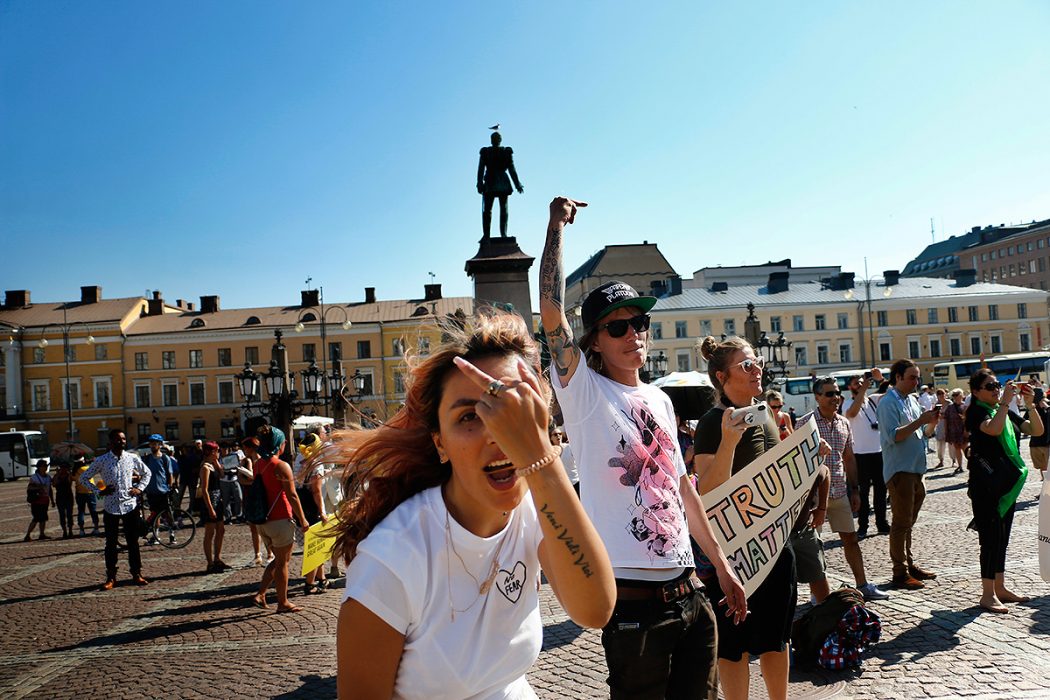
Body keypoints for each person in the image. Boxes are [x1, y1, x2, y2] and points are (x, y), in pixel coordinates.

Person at [333, 310, 615, 699]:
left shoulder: (535, 509)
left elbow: (595, 609)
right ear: (440, 444)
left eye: (512, 407)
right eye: (469, 415)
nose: (499, 432)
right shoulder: (393, 558)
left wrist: (541, 457)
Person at [539, 197, 746, 699]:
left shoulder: (657, 398)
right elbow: (549, 310)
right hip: (634, 605)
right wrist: (555, 228)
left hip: (690, 592)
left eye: (641, 324)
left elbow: (681, 488)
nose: (634, 334)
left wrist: (720, 565)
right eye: (618, 327)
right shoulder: (585, 390)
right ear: (595, 341)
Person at [694, 336, 806, 700]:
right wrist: (728, 441)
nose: (757, 368)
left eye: (756, 360)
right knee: (733, 646)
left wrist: (807, 460)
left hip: (774, 547)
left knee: (776, 640)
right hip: (734, 553)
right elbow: (707, 492)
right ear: (721, 377)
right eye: (746, 364)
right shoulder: (713, 422)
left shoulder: (768, 413)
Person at [796, 378, 890, 602]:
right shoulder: (804, 423)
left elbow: (848, 458)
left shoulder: (843, 422)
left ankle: (863, 584)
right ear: (817, 397)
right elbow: (796, 460)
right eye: (829, 394)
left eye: (837, 393)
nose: (835, 398)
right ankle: (817, 594)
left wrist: (855, 490)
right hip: (814, 497)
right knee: (814, 546)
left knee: (851, 539)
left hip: (839, 491)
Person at [965, 369, 1041, 613]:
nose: (997, 389)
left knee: (1002, 539)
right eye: (991, 386)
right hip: (985, 486)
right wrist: (1006, 402)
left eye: (998, 384)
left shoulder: (1003, 409)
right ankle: (987, 595)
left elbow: (1034, 430)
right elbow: (993, 429)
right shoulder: (976, 411)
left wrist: (1030, 405)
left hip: (1005, 486)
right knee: (989, 540)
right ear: (976, 391)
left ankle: (1000, 587)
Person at [876, 359, 939, 590]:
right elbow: (894, 436)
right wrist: (920, 420)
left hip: (916, 468)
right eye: (912, 377)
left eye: (917, 377)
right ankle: (899, 572)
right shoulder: (887, 403)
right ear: (898, 377)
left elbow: (923, 433)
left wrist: (930, 423)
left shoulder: (912, 400)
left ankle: (909, 564)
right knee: (901, 523)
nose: (917, 381)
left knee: (909, 522)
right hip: (900, 470)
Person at [247, 425, 311, 613]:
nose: (284, 444)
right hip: (280, 519)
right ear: (278, 445)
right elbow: (292, 495)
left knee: (278, 560)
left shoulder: (258, 464)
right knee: (283, 563)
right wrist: (303, 519)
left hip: (263, 521)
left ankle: (260, 594)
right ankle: (283, 603)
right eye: (283, 441)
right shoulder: (281, 466)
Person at [80, 429, 152, 589]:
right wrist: (99, 491)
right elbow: (83, 478)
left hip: (130, 506)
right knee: (110, 544)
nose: (122, 442)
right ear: (111, 442)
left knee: (133, 542)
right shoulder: (102, 460)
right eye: (118, 439)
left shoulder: (132, 458)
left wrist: (139, 488)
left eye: (124, 439)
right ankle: (111, 576)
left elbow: (147, 473)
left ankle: (136, 573)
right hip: (111, 507)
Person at [843, 372, 890, 538]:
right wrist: (863, 390)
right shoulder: (847, 403)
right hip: (859, 455)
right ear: (850, 387)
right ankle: (863, 525)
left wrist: (881, 379)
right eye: (856, 383)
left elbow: (892, 393)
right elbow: (853, 413)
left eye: (862, 382)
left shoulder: (873, 400)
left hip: (878, 453)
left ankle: (882, 524)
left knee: (881, 491)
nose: (860, 384)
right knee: (862, 492)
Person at [297, 433, 330, 595]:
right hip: (313, 510)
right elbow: (316, 491)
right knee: (315, 549)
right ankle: (309, 584)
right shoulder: (316, 465)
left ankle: (321, 578)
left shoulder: (299, 462)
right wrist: (323, 512)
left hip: (301, 509)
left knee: (315, 546)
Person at [476, 130, 524, 239]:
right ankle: (494, 235)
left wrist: (517, 184)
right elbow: (511, 169)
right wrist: (517, 185)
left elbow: (512, 169)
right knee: (496, 209)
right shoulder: (493, 152)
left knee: (493, 210)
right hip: (495, 181)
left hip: (492, 181)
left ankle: (497, 235)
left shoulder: (490, 152)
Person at [197, 441, 227, 573]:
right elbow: (204, 490)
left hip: (218, 500)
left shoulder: (213, 465)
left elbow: (222, 475)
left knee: (221, 530)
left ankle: (217, 559)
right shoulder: (205, 467)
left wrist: (217, 463)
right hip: (209, 502)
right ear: (212, 452)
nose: (219, 453)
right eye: (217, 451)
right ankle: (210, 563)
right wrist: (210, 508)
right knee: (210, 533)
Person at [239, 437, 269, 567]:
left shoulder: (260, 460)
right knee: (253, 527)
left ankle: (270, 553)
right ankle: (257, 554)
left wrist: (250, 478)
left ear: (250, 448)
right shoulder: (246, 461)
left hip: (259, 496)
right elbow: (241, 480)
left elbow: (260, 480)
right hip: (249, 495)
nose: (243, 450)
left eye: (245, 448)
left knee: (264, 527)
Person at [142, 434, 175, 543]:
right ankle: (156, 536)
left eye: (155, 444)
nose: (152, 446)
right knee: (154, 514)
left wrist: (170, 487)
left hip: (163, 491)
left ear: (160, 445)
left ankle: (172, 534)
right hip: (151, 491)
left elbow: (170, 474)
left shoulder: (165, 458)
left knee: (167, 513)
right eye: (151, 443)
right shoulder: (147, 458)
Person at [24, 460, 55, 541]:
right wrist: (40, 486)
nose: (46, 467)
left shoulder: (48, 477)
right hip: (36, 501)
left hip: (45, 500)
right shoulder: (34, 477)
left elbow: (50, 489)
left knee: (44, 518)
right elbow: (29, 488)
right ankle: (27, 535)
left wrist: (52, 500)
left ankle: (42, 534)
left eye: (46, 465)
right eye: (44, 466)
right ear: (39, 467)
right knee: (36, 518)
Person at [73, 456, 101, 536]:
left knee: (81, 511)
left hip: (79, 493)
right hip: (90, 492)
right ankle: (96, 528)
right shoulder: (86, 468)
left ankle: (81, 530)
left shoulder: (74, 471)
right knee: (93, 511)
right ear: (82, 461)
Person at [945, 388, 969, 475]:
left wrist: (967, 430)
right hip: (954, 431)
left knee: (965, 449)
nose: (955, 397)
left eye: (957, 395)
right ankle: (960, 466)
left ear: (962, 395)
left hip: (963, 431)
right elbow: (946, 420)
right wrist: (946, 431)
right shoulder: (950, 407)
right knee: (957, 449)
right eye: (954, 395)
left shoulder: (965, 407)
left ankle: (972, 466)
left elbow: (969, 420)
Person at [1029, 388, 1050, 483]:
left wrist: (1046, 407)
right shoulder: (1032, 408)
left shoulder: (1048, 407)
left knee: (1046, 469)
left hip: (1046, 443)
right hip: (1035, 443)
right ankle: (1044, 490)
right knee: (1043, 468)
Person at [52, 460, 76, 539]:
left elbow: (72, 480)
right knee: (62, 515)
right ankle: (64, 531)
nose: (64, 469)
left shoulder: (69, 475)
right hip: (60, 497)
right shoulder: (56, 476)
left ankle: (70, 531)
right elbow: (54, 484)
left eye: (65, 468)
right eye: (62, 468)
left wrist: (69, 473)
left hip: (68, 497)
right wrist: (58, 474)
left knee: (69, 515)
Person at [933, 388, 948, 468]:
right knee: (940, 444)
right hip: (940, 425)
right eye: (939, 394)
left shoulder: (949, 403)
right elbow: (934, 415)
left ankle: (954, 460)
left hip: (949, 424)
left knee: (952, 444)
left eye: (943, 394)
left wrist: (944, 416)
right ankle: (941, 460)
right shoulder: (937, 404)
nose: (941, 396)